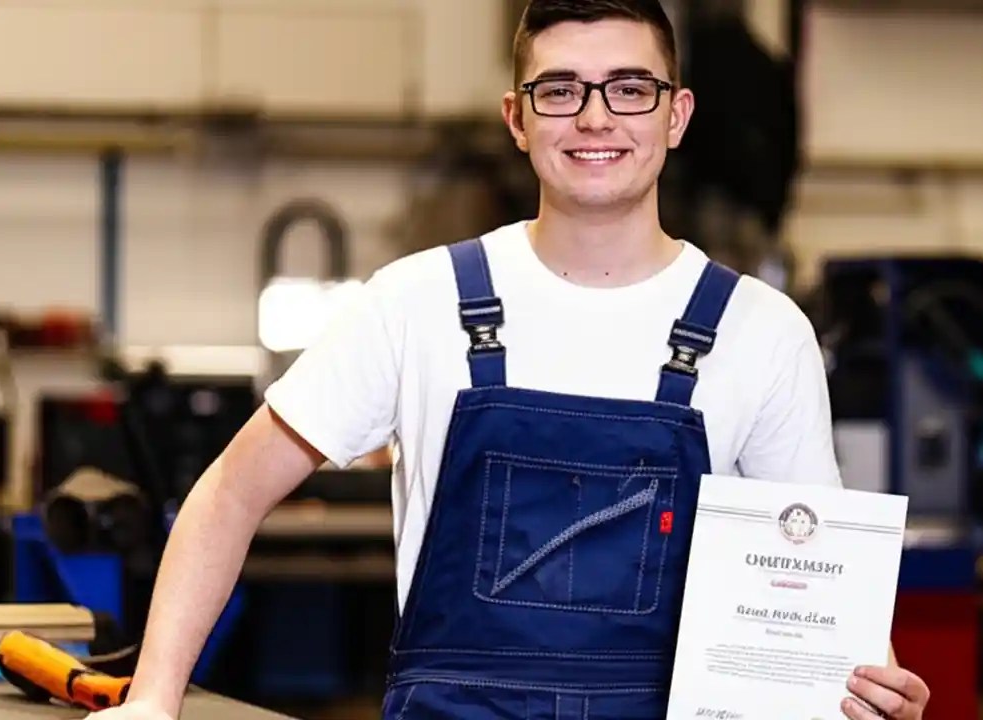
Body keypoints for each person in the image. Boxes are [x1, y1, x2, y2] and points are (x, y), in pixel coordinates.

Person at [87, 1, 931, 718]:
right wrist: (154, 700)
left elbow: (815, 576)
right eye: (560, 90)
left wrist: (866, 686)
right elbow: (230, 493)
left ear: (675, 116)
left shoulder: (760, 330)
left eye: (629, 90)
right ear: (516, 118)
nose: (595, 118)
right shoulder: (418, 302)